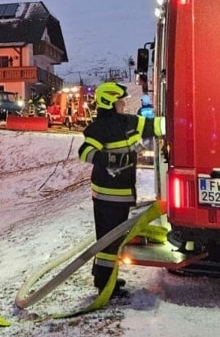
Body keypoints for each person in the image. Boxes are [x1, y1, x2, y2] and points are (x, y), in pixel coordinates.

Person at [77, 81, 164, 295]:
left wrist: (183, 119)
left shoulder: (129, 122)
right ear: (109, 102)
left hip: (123, 194)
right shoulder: (99, 128)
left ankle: (105, 278)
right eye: (120, 102)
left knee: (113, 241)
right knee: (107, 242)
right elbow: (84, 152)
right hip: (107, 196)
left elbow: (155, 126)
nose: (124, 105)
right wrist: (110, 159)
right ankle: (105, 286)